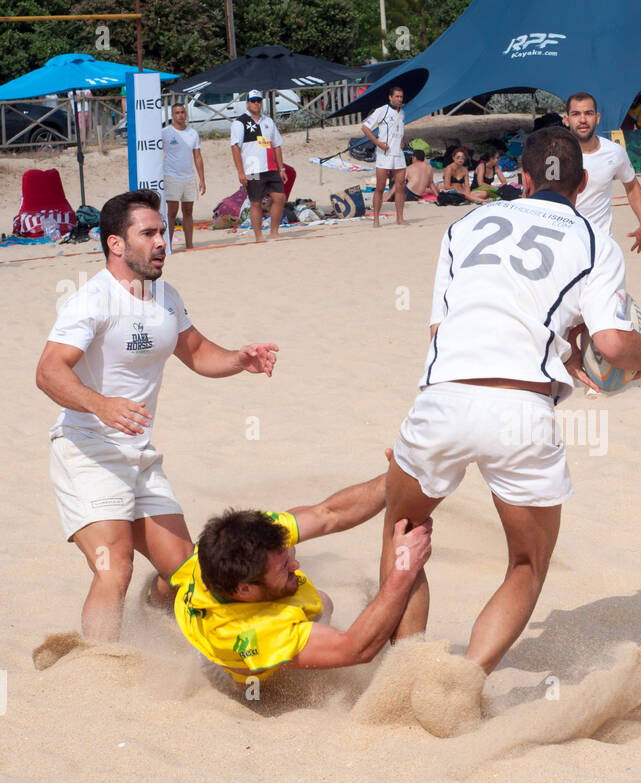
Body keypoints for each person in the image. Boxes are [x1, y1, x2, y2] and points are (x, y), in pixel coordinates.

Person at [378, 125, 641, 736]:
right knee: (526, 565)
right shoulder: (593, 238)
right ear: (584, 181)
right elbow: (614, 344)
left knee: (405, 529)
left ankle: (407, 672)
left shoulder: (463, 227)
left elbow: (444, 330)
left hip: (445, 397)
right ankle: (463, 682)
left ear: (523, 179)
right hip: (521, 412)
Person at [35, 190, 278, 644]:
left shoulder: (166, 295)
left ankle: (152, 615)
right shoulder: (92, 301)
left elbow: (199, 352)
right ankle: (99, 666)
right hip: (88, 450)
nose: (161, 241)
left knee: (185, 574)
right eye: (148, 233)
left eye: (162, 231)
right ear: (116, 244)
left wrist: (238, 359)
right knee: (116, 565)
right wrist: (101, 404)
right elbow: (48, 372)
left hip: (140, 456)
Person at [172, 474, 433, 683]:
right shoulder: (253, 633)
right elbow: (355, 649)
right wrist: (404, 568)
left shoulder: (238, 539)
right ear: (246, 590)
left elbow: (328, 515)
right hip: (242, 665)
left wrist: (399, 476)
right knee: (318, 613)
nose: (295, 565)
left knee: (320, 602)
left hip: (223, 606)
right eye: (284, 567)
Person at [564, 91, 641, 252]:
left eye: (588, 113)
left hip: (602, 244)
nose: (583, 119)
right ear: (566, 119)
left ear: (597, 118)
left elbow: (632, 186)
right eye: (576, 114)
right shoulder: (555, 155)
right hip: (566, 244)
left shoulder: (614, 152)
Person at [230, 90, 285, 242]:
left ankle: (274, 232)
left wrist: (282, 168)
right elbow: (235, 147)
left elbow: (277, 145)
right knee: (256, 202)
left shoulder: (268, 121)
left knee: (279, 197)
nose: (256, 103)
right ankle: (258, 236)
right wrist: (240, 172)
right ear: (247, 103)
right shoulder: (239, 122)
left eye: (259, 100)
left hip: (271, 167)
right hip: (252, 168)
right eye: (253, 100)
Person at [361, 86, 408, 227]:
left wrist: (401, 141)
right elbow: (365, 127)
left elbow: (399, 130)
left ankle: (400, 218)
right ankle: (376, 219)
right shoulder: (382, 110)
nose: (399, 99)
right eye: (397, 96)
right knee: (380, 186)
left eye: (401, 97)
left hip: (398, 155)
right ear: (390, 97)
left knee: (400, 186)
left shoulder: (403, 113)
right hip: (384, 154)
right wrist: (378, 143)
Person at [162, 102, 205, 252]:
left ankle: (189, 244)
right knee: (172, 211)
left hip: (188, 177)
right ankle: (169, 246)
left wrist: (202, 179)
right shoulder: (166, 132)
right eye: (177, 113)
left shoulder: (193, 133)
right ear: (172, 116)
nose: (180, 115)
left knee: (188, 211)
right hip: (171, 176)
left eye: (182, 112)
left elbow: (198, 157)